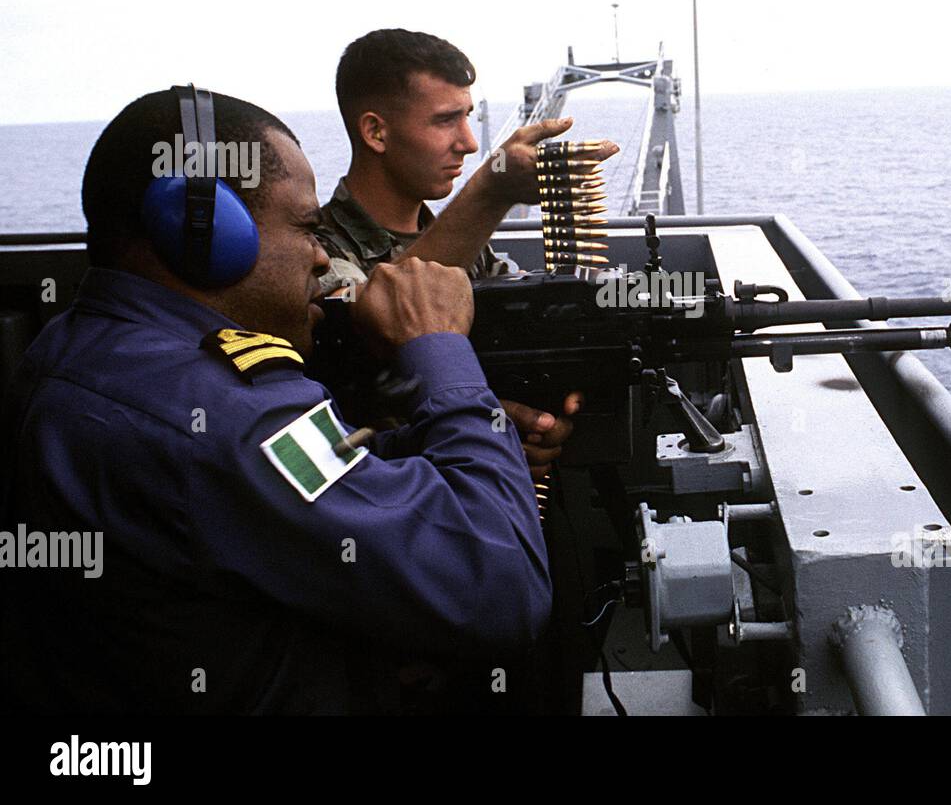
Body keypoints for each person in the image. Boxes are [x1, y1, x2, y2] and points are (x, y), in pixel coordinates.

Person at [0, 87, 550, 714]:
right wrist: (442, 354)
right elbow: (503, 591)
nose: (321, 258)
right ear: (200, 230)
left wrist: (433, 441)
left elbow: (275, 489)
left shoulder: (83, 345)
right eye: (307, 228)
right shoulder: (218, 409)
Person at [317, 28, 618, 472]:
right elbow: (377, 323)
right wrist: (491, 191)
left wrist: (528, 414)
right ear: (376, 132)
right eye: (444, 120)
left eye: (467, 117)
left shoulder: (466, 245)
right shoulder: (317, 251)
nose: (469, 142)